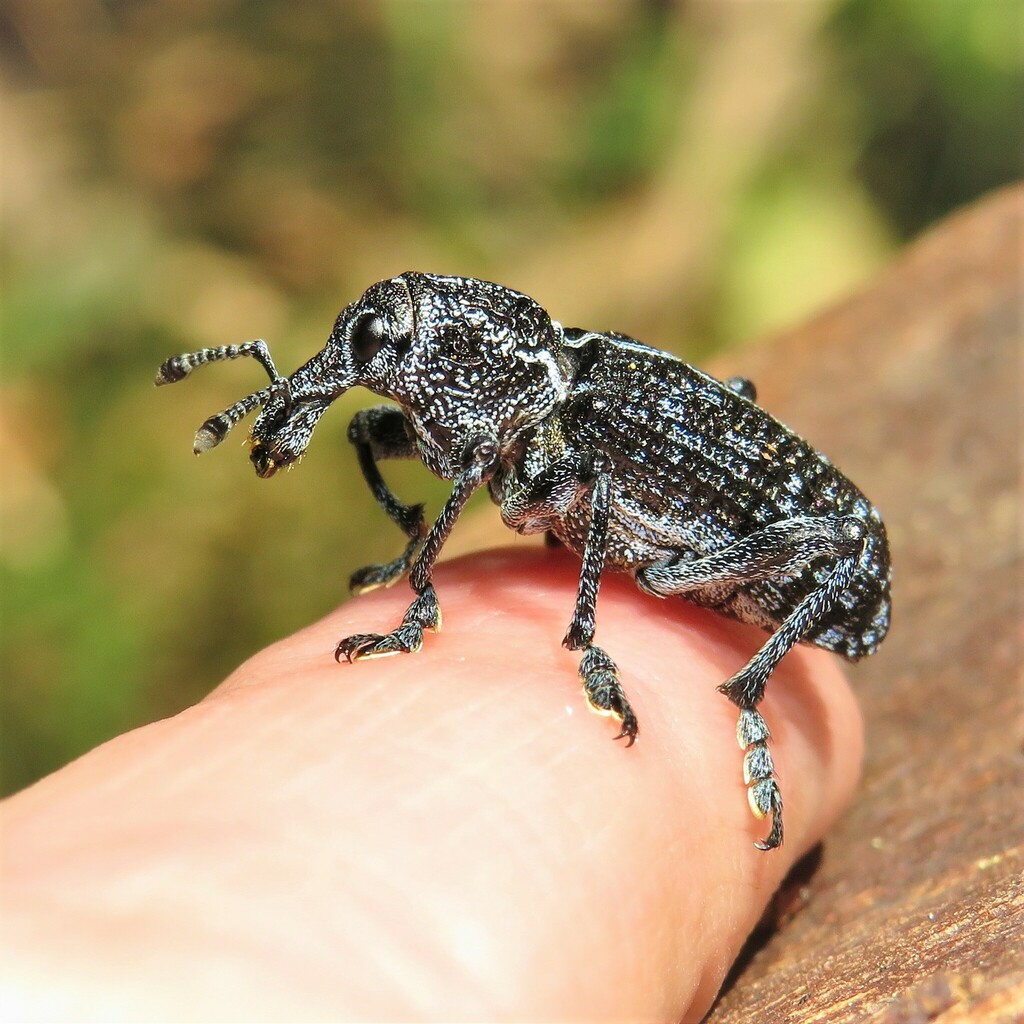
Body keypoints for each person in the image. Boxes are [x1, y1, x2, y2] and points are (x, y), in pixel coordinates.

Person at [0, 548, 862, 1021]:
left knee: (599, 488)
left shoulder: (569, 427)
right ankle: (424, 585)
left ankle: (746, 697)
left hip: (799, 558)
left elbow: (595, 501)